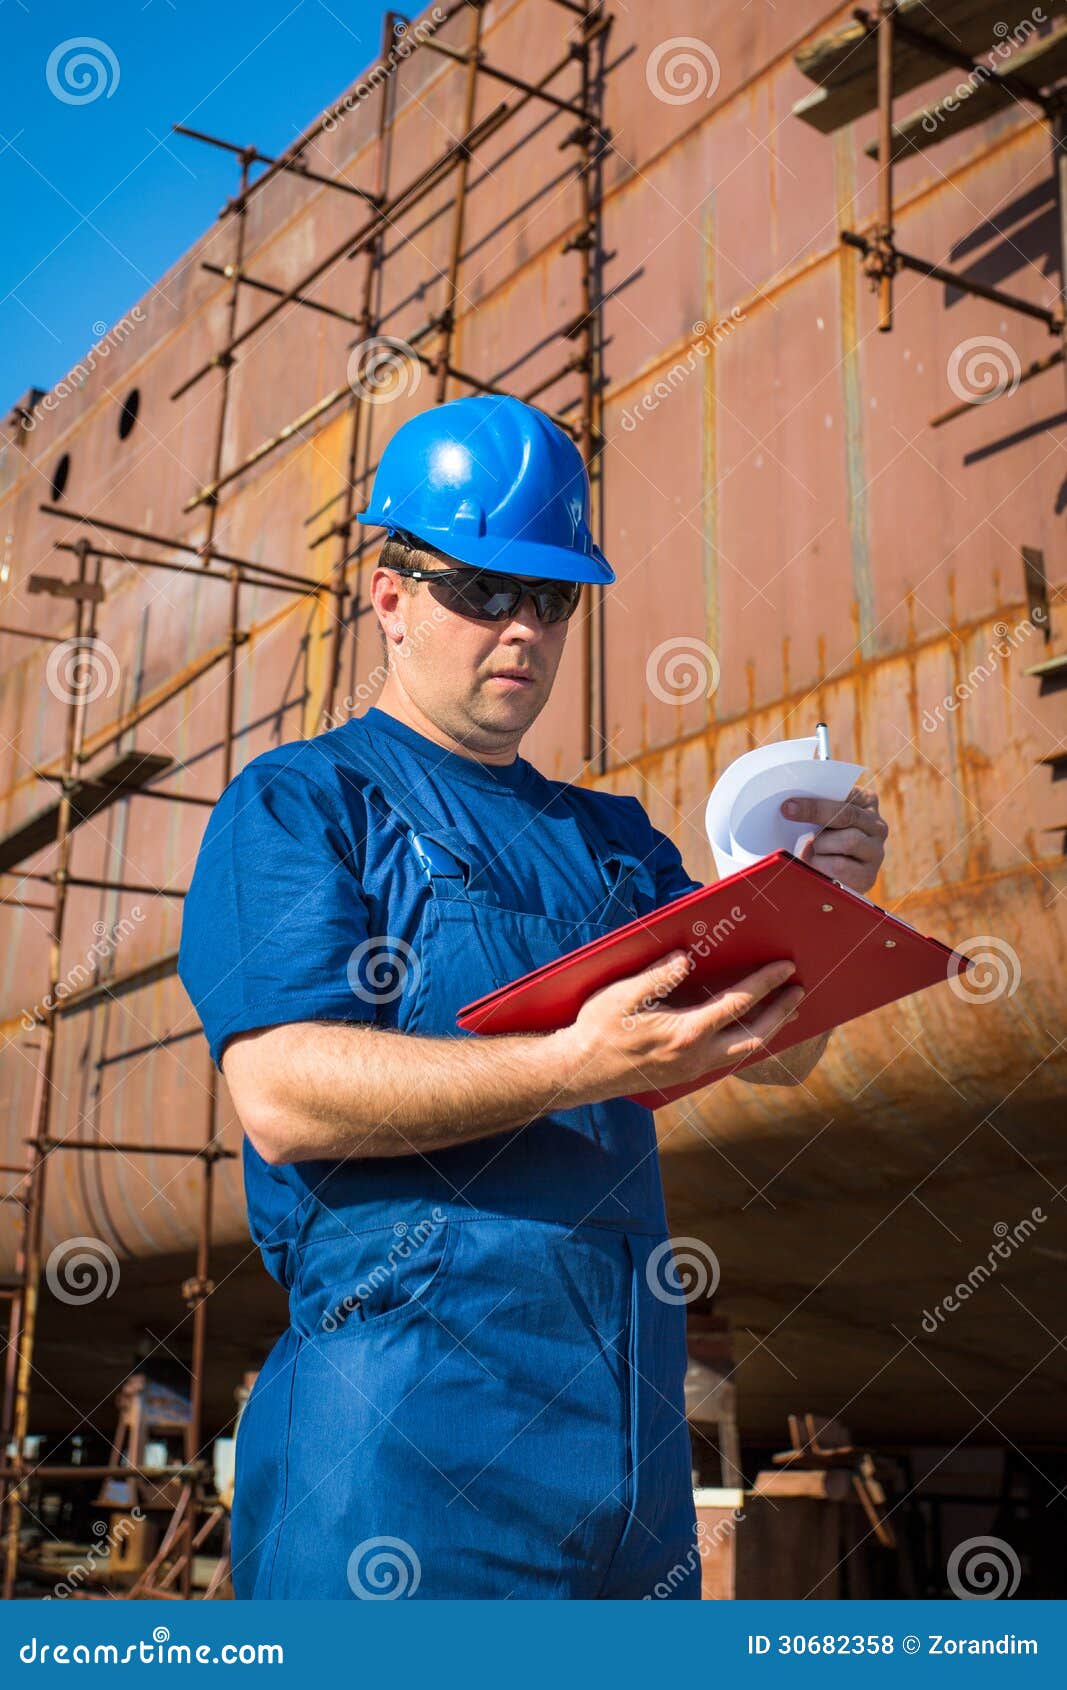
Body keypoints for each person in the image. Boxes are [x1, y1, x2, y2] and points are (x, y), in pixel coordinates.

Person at [177, 395, 888, 1600]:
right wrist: (569, 1065)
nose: (521, 628)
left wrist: (814, 920)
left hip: (623, 1473)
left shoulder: (611, 844)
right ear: (389, 595)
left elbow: (767, 1054)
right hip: (397, 1475)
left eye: (549, 599)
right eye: (483, 590)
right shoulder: (305, 803)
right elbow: (284, 1093)